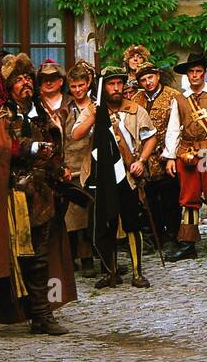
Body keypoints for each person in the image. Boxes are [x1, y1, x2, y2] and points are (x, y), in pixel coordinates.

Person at [0, 54, 78, 337]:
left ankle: (40, 315)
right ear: (7, 86)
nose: (25, 83)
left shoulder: (40, 112)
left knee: (38, 257)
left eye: (28, 79)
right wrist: (29, 148)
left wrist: (57, 167)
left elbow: (52, 144)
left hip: (38, 195)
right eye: (19, 80)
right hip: (5, 195)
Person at [90, 64, 158, 287]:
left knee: (131, 223)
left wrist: (141, 161)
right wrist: (94, 114)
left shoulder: (136, 110)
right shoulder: (94, 111)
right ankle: (110, 271)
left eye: (119, 83)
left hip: (128, 175)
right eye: (111, 84)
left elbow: (151, 138)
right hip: (104, 175)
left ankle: (137, 272)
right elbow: (77, 134)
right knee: (107, 221)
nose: (116, 88)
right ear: (104, 87)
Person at [165, 48, 207, 261]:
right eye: (191, 72)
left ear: (204, 72)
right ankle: (188, 244)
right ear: (187, 75)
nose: (195, 75)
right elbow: (173, 128)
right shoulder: (180, 100)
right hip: (188, 154)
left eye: (199, 71)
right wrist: (171, 157)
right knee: (189, 198)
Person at [129, 47, 182, 251]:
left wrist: (172, 152)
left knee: (171, 198)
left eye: (150, 78)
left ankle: (173, 235)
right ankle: (156, 235)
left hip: (166, 155)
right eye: (143, 80)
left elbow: (179, 126)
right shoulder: (136, 99)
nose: (147, 82)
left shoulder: (173, 96)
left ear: (157, 76)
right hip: (145, 158)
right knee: (150, 200)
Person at [62, 61, 97, 274]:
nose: (77, 90)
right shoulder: (65, 110)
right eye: (73, 87)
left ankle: (102, 257)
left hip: (94, 165)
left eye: (81, 85)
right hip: (73, 166)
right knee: (77, 217)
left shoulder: (96, 105)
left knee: (97, 215)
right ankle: (85, 261)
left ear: (88, 83)